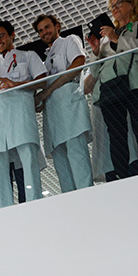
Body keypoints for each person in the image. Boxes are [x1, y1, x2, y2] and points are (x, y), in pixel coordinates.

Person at [94, 0, 138, 179]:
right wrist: (95, 51)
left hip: (137, 84)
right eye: (112, 6)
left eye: (119, 3)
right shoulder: (107, 37)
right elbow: (95, 70)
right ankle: (122, 176)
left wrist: (117, 40)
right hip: (110, 87)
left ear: (132, 4)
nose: (115, 8)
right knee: (116, 134)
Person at [0, 21, 47, 204]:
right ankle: (5, 207)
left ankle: (35, 202)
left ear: (12, 35)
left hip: (19, 116)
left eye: (1, 36)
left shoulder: (28, 56)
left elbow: (42, 81)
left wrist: (16, 84)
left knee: (28, 158)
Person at [33, 14, 93, 192]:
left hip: (69, 107)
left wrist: (49, 90)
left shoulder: (69, 41)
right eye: (40, 30)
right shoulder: (45, 61)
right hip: (53, 115)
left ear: (57, 26)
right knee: (61, 164)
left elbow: (78, 63)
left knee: (77, 156)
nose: (44, 32)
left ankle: (89, 198)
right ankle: (71, 203)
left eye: (47, 27)